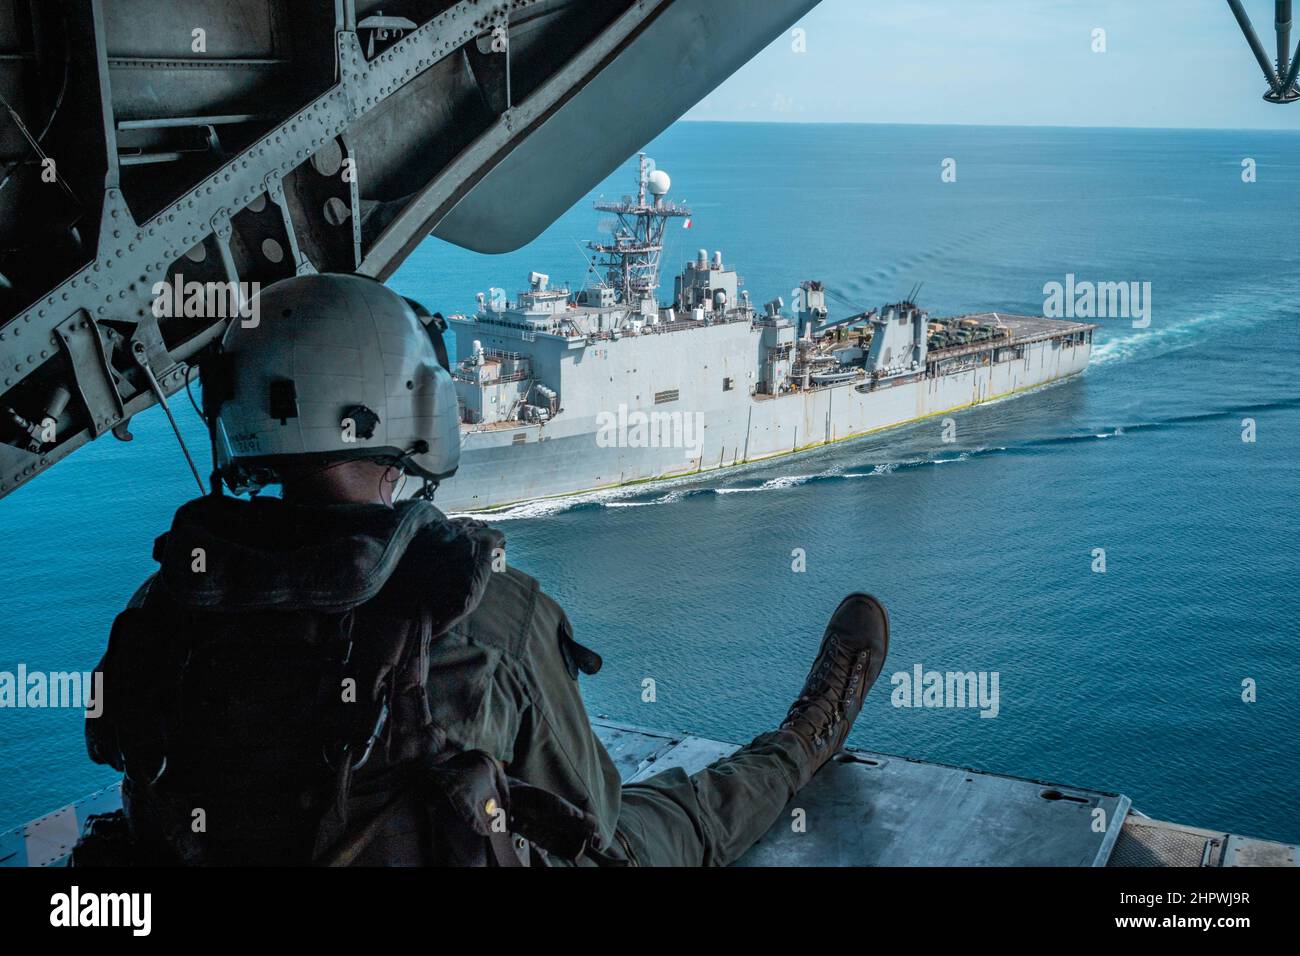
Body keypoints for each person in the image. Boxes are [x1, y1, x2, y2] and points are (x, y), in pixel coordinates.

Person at [84, 273, 889, 866]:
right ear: (421, 411)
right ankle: (802, 741)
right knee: (665, 821)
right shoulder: (489, 612)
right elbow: (594, 822)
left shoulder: (164, 604)